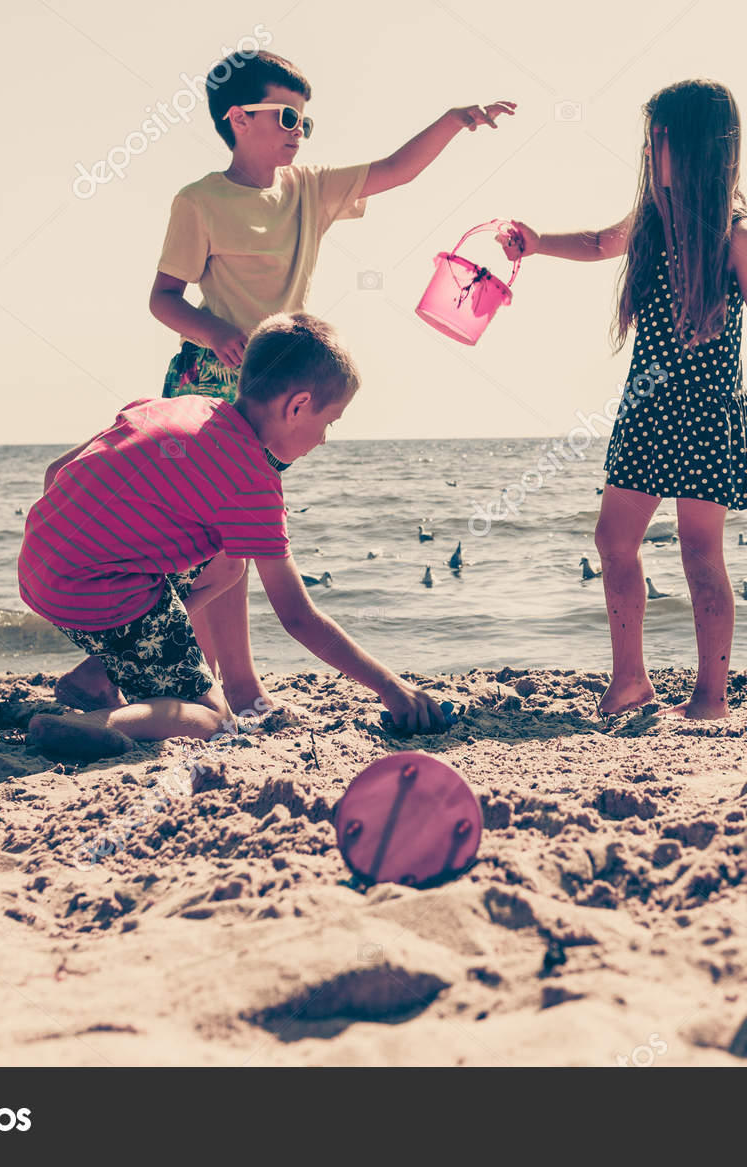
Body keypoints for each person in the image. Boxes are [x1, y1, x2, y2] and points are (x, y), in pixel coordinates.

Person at [53, 47, 514, 717]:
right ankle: (227, 684)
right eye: (287, 115)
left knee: (230, 546)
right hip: (210, 379)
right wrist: (214, 332)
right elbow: (163, 297)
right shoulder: (200, 201)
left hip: (277, 385)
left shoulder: (309, 188)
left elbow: (394, 171)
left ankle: (198, 678)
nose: (300, 130)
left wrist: (453, 120)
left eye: (306, 120)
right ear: (238, 119)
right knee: (218, 547)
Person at [497, 79, 747, 720]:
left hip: (708, 413)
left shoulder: (736, 238)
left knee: (700, 554)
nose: (646, 149)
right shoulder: (652, 221)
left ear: (695, 146)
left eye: (658, 137)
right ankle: (631, 679)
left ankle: (711, 696)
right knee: (613, 539)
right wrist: (536, 242)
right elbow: (596, 243)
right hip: (646, 410)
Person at [20, 314, 447, 761]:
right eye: (330, 422)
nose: (323, 440)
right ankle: (84, 724)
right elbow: (298, 617)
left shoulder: (175, 405)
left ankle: (97, 674)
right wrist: (391, 687)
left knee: (228, 563)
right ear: (298, 406)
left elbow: (54, 474)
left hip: (37, 569)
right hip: (97, 595)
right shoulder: (253, 482)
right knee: (213, 720)